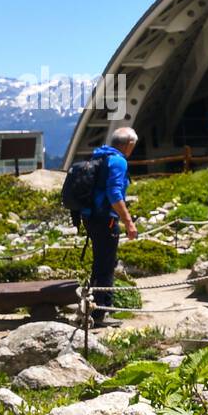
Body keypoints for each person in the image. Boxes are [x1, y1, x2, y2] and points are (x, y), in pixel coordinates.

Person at [82, 128, 139, 327]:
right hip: (106, 219)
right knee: (106, 265)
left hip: (91, 217)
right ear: (128, 144)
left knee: (100, 263)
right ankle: (101, 313)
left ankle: (95, 307)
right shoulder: (118, 161)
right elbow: (115, 194)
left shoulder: (99, 156)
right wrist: (129, 222)